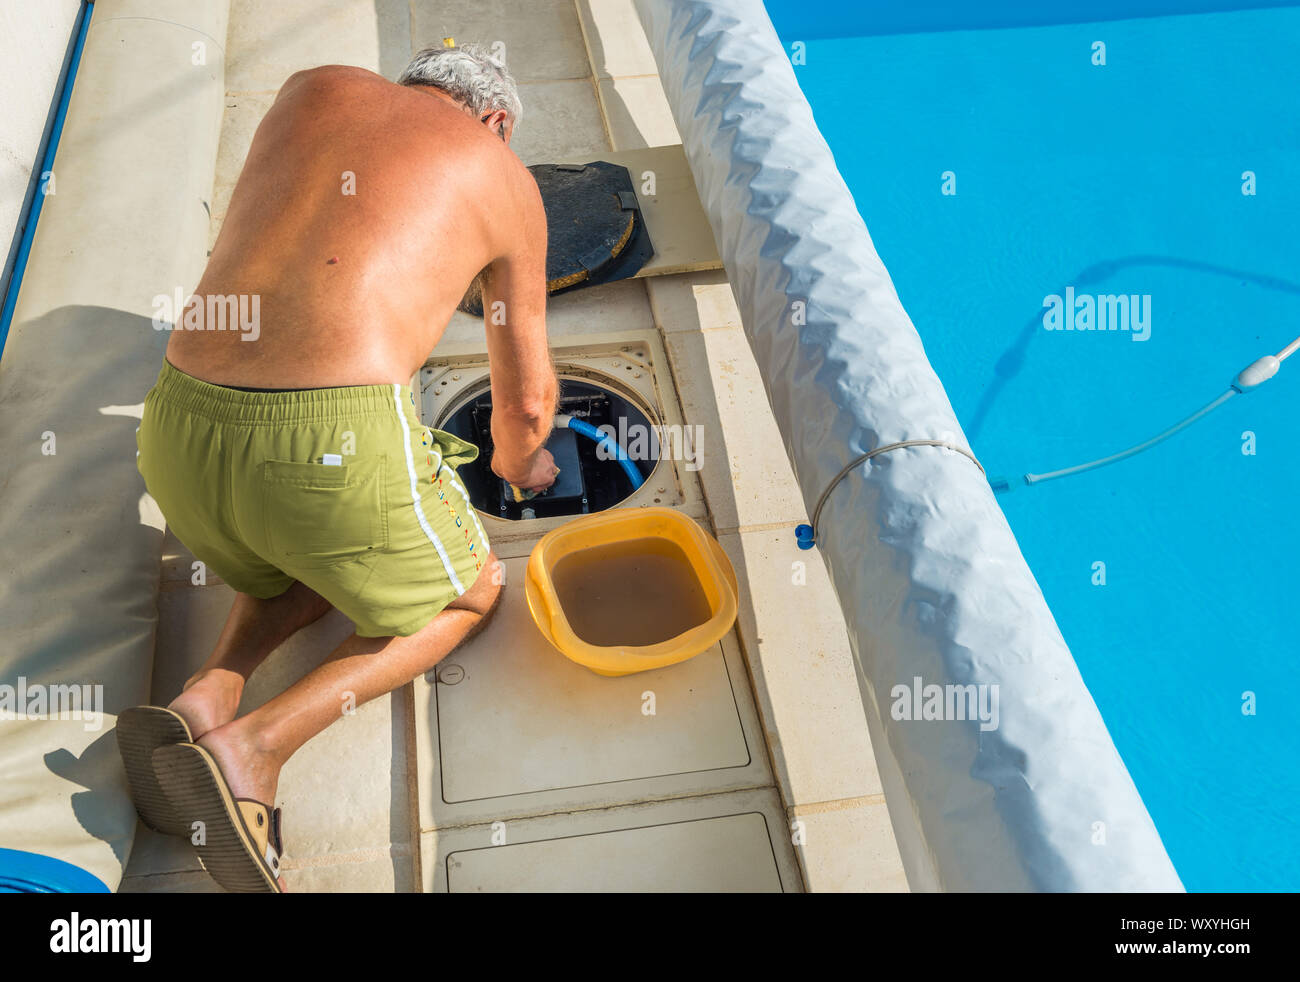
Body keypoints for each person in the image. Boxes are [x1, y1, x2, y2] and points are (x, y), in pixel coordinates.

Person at [121, 44, 558, 892]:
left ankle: (207, 693)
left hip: (176, 430)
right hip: (330, 444)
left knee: (307, 545)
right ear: (497, 124)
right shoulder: (505, 177)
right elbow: (527, 407)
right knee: (469, 589)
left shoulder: (308, 89)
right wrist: (522, 466)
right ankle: (256, 747)